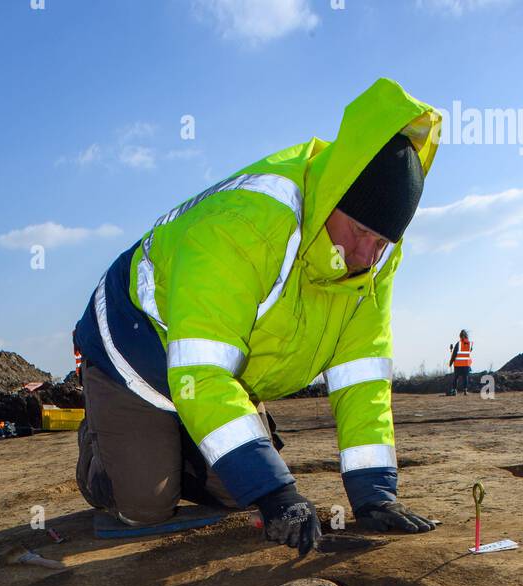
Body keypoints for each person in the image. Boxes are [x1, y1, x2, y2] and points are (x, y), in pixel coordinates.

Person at [73, 77, 442, 555]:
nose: (365, 255)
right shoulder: (244, 225)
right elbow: (201, 373)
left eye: (382, 241)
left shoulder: (377, 257)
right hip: (137, 347)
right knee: (146, 505)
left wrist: (375, 495)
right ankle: (104, 446)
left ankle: (184, 439)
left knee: (234, 492)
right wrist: (274, 494)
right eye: (358, 231)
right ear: (332, 199)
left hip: (216, 372)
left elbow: (362, 375)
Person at [449, 330, 473, 395]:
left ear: (460, 336)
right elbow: (470, 350)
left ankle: (454, 390)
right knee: (465, 377)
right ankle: (465, 391)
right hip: (466, 364)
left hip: (458, 364)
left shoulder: (458, 344)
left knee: (456, 377)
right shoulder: (469, 344)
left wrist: (450, 363)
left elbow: (454, 354)